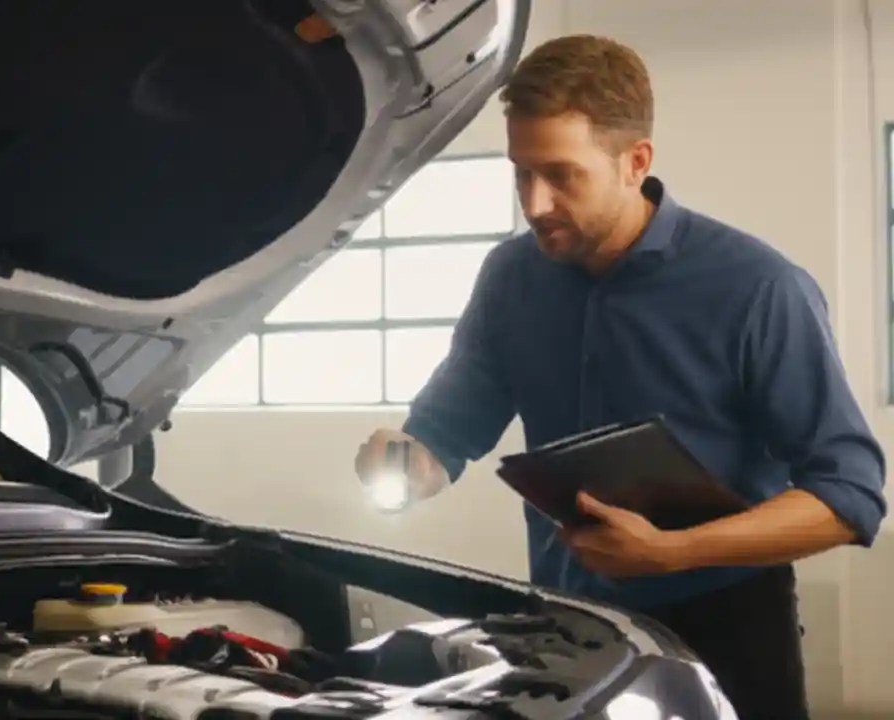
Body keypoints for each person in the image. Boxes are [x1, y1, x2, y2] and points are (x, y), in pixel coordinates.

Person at [354, 34, 886, 720]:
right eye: (520, 173)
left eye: (560, 174)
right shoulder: (510, 278)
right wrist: (403, 461)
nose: (535, 203)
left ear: (636, 162)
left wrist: (676, 551)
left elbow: (849, 496)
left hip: (726, 631)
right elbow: (445, 436)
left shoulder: (760, 289)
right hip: (564, 627)